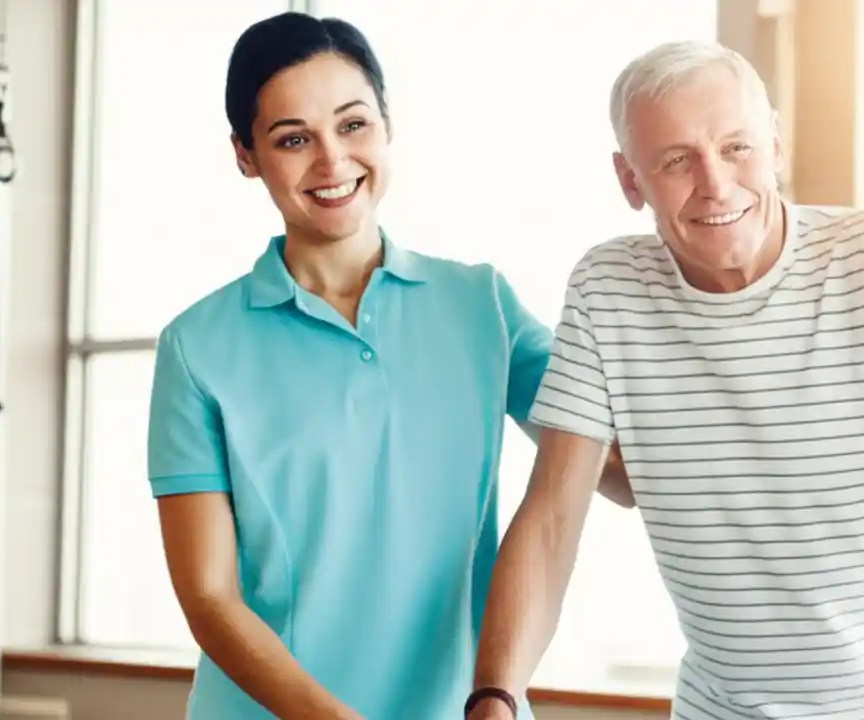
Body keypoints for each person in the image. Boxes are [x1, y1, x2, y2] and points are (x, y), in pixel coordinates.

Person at [465, 40, 864, 720]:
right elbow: (552, 517)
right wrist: (496, 697)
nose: (714, 183)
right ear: (630, 180)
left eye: (736, 147)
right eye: (676, 160)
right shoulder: (608, 288)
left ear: (774, 145)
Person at [145, 11, 632, 720]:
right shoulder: (196, 347)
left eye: (353, 125)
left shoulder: (482, 306)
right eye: (292, 139)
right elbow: (209, 598)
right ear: (246, 156)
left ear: (387, 125)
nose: (332, 162)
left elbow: (617, 473)